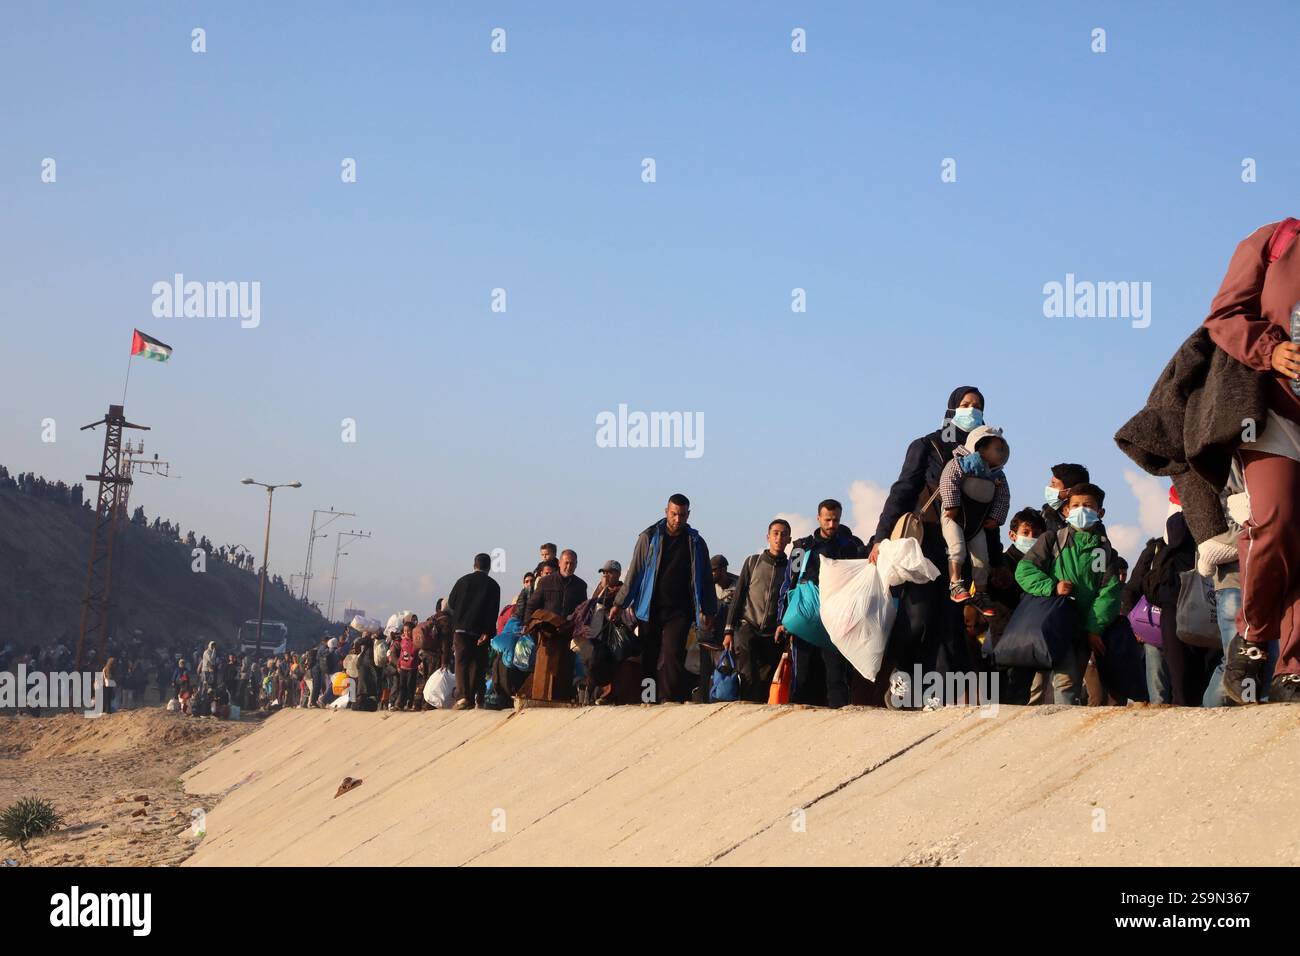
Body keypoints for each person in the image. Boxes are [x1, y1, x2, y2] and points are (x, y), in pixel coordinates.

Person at [1203, 219, 1300, 703]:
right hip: (1272, 412)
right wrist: (1272, 348)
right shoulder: (1275, 240)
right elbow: (1223, 317)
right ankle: (1254, 636)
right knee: (1276, 519)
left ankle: (1292, 669)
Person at [870, 386, 986, 703]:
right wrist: (880, 537)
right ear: (951, 409)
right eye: (965, 404)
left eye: (977, 406)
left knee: (949, 624)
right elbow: (902, 491)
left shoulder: (986, 454)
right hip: (925, 546)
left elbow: (988, 512)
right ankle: (900, 673)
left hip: (959, 551)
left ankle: (936, 693)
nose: (972, 410)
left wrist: (993, 558)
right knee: (917, 616)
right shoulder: (928, 445)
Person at [1014, 483, 1125, 705]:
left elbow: (1109, 592)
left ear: (1100, 512)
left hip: (1083, 629)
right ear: (1066, 511)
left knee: (1072, 683)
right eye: (1075, 505)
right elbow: (1024, 571)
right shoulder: (1052, 539)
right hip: (1055, 623)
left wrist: (1094, 628)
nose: (1081, 510)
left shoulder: (1104, 550)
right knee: (1059, 683)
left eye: (1088, 505)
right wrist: (1051, 587)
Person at [609, 493, 717, 704]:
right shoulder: (649, 537)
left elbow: (705, 578)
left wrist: (709, 608)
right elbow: (635, 572)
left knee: (673, 654)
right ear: (666, 512)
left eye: (683, 515)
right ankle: (648, 699)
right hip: (650, 608)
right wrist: (619, 603)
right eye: (674, 514)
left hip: (680, 610)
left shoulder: (695, 542)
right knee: (649, 656)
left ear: (689, 514)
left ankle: (669, 700)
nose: (678, 519)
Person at [777, 500, 865, 708]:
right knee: (803, 677)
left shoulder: (849, 547)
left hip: (835, 619)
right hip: (804, 618)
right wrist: (782, 619)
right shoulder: (801, 547)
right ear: (818, 518)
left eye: (836, 520)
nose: (832, 524)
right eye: (828, 519)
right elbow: (789, 582)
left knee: (836, 677)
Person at [937, 425, 1011, 615]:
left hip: (978, 524)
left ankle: (981, 594)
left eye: (1003, 449)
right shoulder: (959, 464)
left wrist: (996, 518)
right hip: (953, 518)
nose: (1001, 453)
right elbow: (948, 480)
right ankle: (955, 583)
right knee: (957, 550)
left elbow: (1003, 498)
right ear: (980, 448)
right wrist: (952, 504)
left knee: (982, 559)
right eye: (997, 449)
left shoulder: (998, 475)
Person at [723, 519, 791, 701]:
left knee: (765, 680)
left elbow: (791, 602)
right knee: (748, 675)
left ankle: (756, 718)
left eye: (783, 534)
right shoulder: (753, 562)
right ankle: (745, 709)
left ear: (789, 539)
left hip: (774, 634)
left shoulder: (791, 570)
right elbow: (738, 597)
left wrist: (785, 626)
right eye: (775, 533)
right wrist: (728, 631)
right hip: (748, 626)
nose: (779, 537)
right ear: (767, 537)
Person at [446, 553, 502, 710]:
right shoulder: (493, 586)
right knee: (476, 664)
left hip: (460, 629)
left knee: (461, 662)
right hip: (479, 631)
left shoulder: (462, 581)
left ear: (474, 565)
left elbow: (451, 603)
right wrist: (488, 631)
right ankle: (474, 698)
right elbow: (493, 611)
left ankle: (463, 697)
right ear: (489, 567)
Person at [1042, 463, 1090, 535]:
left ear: (1069, 491)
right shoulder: (1043, 517)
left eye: (1053, 484)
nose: (1049, 487)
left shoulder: (1090, 520)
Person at [557, 550, 588, 617]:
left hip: (570, 626)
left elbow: (583, 610)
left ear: (576, 565)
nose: (569, 566)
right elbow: (533, 605)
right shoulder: (545, 582)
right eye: (566, 563)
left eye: (572, 563)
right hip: (548, 625)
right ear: (559, 563)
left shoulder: (581, 585)